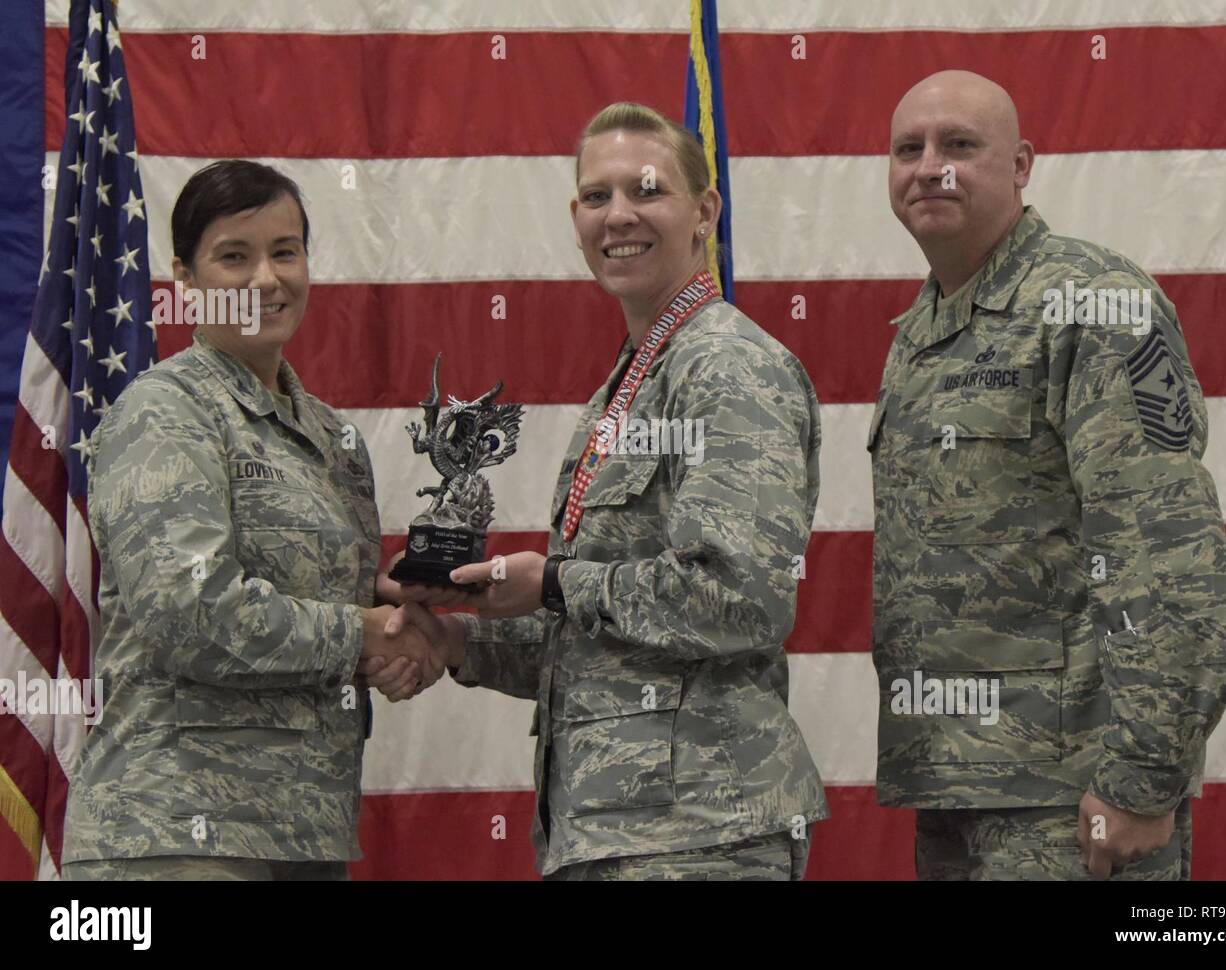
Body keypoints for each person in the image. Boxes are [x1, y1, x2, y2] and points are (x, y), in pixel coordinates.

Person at [382, 102, 828, 880]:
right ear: (575, 216)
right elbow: (605, 643)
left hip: (699, 836)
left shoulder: (726, 367)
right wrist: (458, 637)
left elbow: (742, 598)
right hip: (613, 833)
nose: (619, 215)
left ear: (704, 212)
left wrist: (552, 580)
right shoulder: (633, 381)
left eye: (647, 190)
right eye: (597, 196)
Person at [869, 70, 1226, 880]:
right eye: (909, 149)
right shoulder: (922, 331)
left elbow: (1163, 548)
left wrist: (1143, 778)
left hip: (1072, 795)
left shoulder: (1093, 302)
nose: (930, 167)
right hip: (959, 784)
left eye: (960, 146)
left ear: (1021, 165)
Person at [62, 160, 438, 881]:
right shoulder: (165, 412)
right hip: (172, 836)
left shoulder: (336, 440)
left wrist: (406, 637)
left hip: (305, 834)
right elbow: (188, 611)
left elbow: (350, 617)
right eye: (234, 256)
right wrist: (355, 633)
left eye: (286, 251)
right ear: (185, 277)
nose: (267, 279)